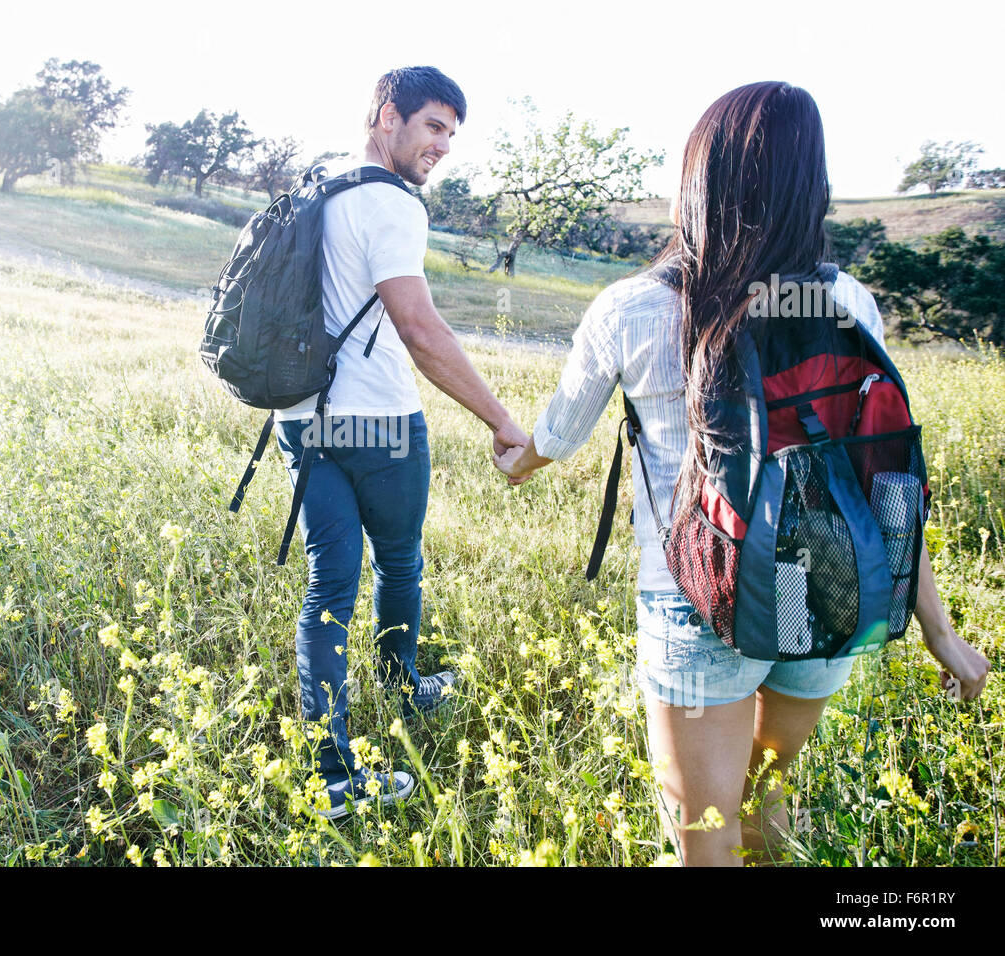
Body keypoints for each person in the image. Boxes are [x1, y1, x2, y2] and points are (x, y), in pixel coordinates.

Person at [493, 81, 990, 865]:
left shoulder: (630, 309)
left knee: (703, 832)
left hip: (700, 593)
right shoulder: (847, 302)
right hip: (830, 585)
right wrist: (940, 630)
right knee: (771, 789)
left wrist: (512, 453)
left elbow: (552, 438)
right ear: (809, 186)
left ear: (698, 180)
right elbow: (880, 482)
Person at [272, 66, 530, 820]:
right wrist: (501, 420)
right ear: (389, 116)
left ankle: (333, 778)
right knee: (400, 562)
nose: (443, 145)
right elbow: (419, 328)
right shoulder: (390, 204)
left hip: (301, 417)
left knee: (329, 586)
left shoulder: (319, 185)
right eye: (433, 126)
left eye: (452, 131)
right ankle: (400, 683)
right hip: (378, 422)